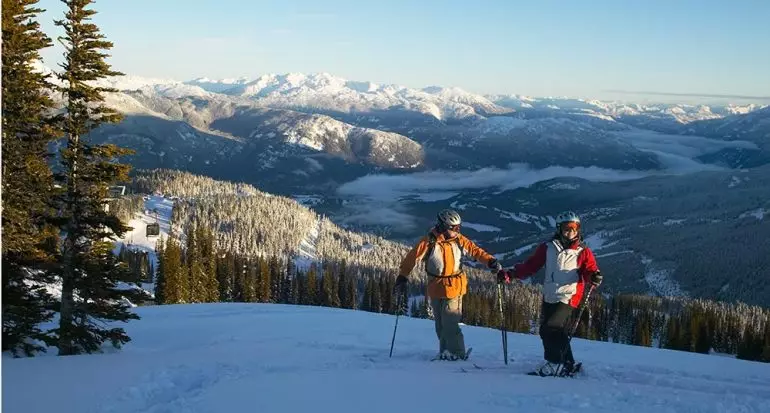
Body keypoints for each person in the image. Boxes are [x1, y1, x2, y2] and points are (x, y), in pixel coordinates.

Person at [498, 211, 602, 376]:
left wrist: (593, 276)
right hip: (550, 294)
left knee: (551, 328)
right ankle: (564, 362)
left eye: (575, 228)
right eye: (567, 228)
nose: (571, 232)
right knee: (548, 330)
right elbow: (531, 266)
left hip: (569, 295)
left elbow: (589, 270)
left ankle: (556, 362)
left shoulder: (583, 251)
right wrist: (510, 274)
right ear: (559, 229)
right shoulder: (548, 248)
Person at [395, 209, 501, 361]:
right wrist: (402, 276)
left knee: (450, 323)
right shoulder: (429, 241)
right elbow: (412, 258)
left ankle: (457, 353)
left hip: (454, 286)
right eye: (454, 227)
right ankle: (445, 352)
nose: (457, 230)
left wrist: (490, 261)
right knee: (440, 326)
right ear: (443, 226)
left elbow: (475, 251)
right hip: (436, 287)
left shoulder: (459, 239)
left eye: (458, 227)